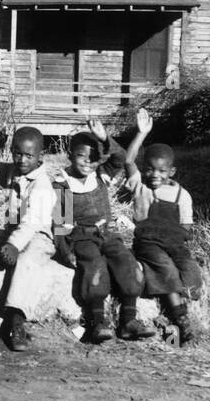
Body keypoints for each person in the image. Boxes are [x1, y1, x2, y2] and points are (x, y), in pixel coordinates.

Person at [53, 129, 154, 344]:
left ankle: (128, 320)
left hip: (108, 233)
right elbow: (61, 224)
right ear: (70, 155)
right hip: (82, 237)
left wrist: (105, 137)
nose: (88, 162)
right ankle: (98, 321)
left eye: (93, 157)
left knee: (128, 264)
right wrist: (65, 251)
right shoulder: (64, 185)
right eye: (82, 156)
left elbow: (121, 157)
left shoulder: (99, 176)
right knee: (94, 266)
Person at [0, 122, 59, 352]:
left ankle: (16, 320)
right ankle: (2, 255)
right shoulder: (12, 172)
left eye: (29, 155)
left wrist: (14, 245)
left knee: (27, 261)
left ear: (40, 155)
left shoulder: (42, 184)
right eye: (17, 154)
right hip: (13, 233)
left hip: (38, 236)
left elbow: (32, 223)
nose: (22, 160)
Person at [124, 109, 203, 346]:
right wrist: (141, 133)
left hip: (174, 243)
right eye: (149, 169)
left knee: (190, 274)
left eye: (161, 171)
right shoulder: (141, 188)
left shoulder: (181, 194)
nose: (154, 175)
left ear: (172, 172)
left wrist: (177, 241)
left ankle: (170, 325)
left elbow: (186, 226)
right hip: (148, 244)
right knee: (167, 271)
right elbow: (128, 160)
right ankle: (180, 321)